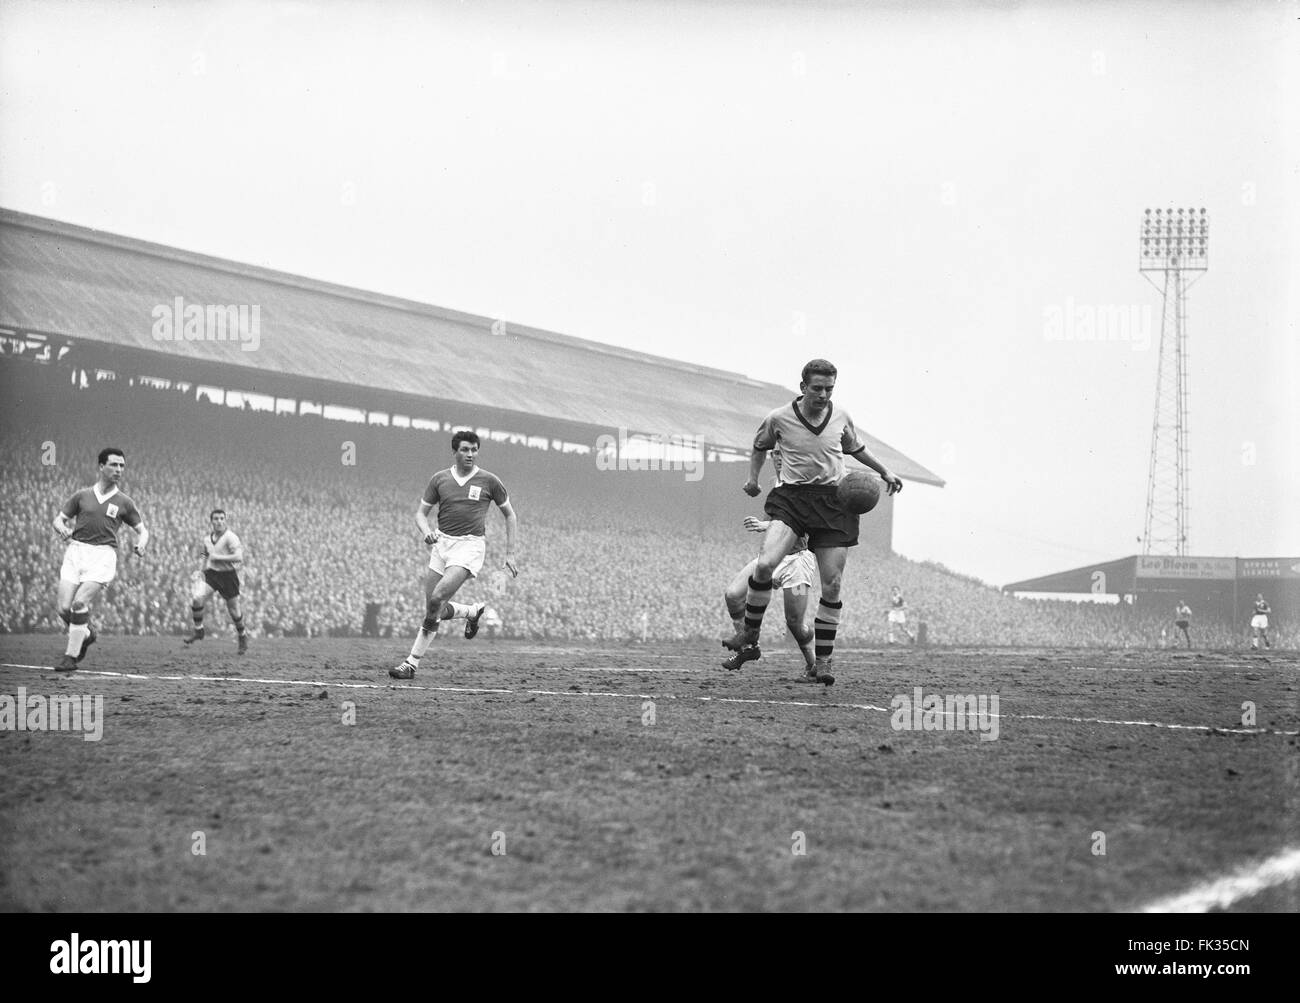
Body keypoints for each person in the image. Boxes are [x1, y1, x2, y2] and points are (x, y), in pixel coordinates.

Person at [723, 359, 902, 685]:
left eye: (829, 389)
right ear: (803, 387)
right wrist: (753, 479)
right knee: (765, 565)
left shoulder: (841, 416)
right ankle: (750, 633)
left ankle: (823, 662)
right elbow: (759, 446)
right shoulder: (778, 418)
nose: (823, 394)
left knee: (832, 584)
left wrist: (884, 471)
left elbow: (856, 448)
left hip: (833, 502)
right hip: (792, 499)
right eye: (817, 388)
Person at [391, 431, 519, 679]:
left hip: (470, 546)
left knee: (438, 598)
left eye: (474, 450)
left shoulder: (489, 481)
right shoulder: (439, 479)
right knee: (434, 610)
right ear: (454, 451)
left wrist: (510, 554)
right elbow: (420, 514)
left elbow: (510, 515)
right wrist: (426, 532)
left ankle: (411, 664)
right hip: (442, 544)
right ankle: (471, 612)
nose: (470, 454)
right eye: (465, 449)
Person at [51, 447, 149, 671]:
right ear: (101, 466)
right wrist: (62, 529)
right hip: (76, 551)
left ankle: (70, 657)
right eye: (114, 464)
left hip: (103, 555)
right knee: (64, 609)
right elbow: (58, 520)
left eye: (122, 466)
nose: (119, 469)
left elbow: (143, 530)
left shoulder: (124, 502)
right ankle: (86, 634)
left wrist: (142, 543)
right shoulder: (81, 496)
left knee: (79, 603)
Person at [721, 516, 817, 673]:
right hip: (770, 557)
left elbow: (803, 524)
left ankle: (813, 663)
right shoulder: (774, 500)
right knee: (733, 595)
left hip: (797, 563)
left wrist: (766, 525)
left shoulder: (803, 500)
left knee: (794, 622)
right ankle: (749, 648)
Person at [184, 508, 249, 653]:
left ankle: (242, 635)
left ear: (225, 521)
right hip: (212, 574)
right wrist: (200, 569)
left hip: (228, 576)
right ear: (211, 521)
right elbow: (204, 553)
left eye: (221, 518)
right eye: (216, 519)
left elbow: (239, 557)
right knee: (197, 598)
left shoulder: (231, 537)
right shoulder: (207, 539)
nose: (219, 521)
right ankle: (199, 630)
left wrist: (219, 557)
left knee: (234, 610)